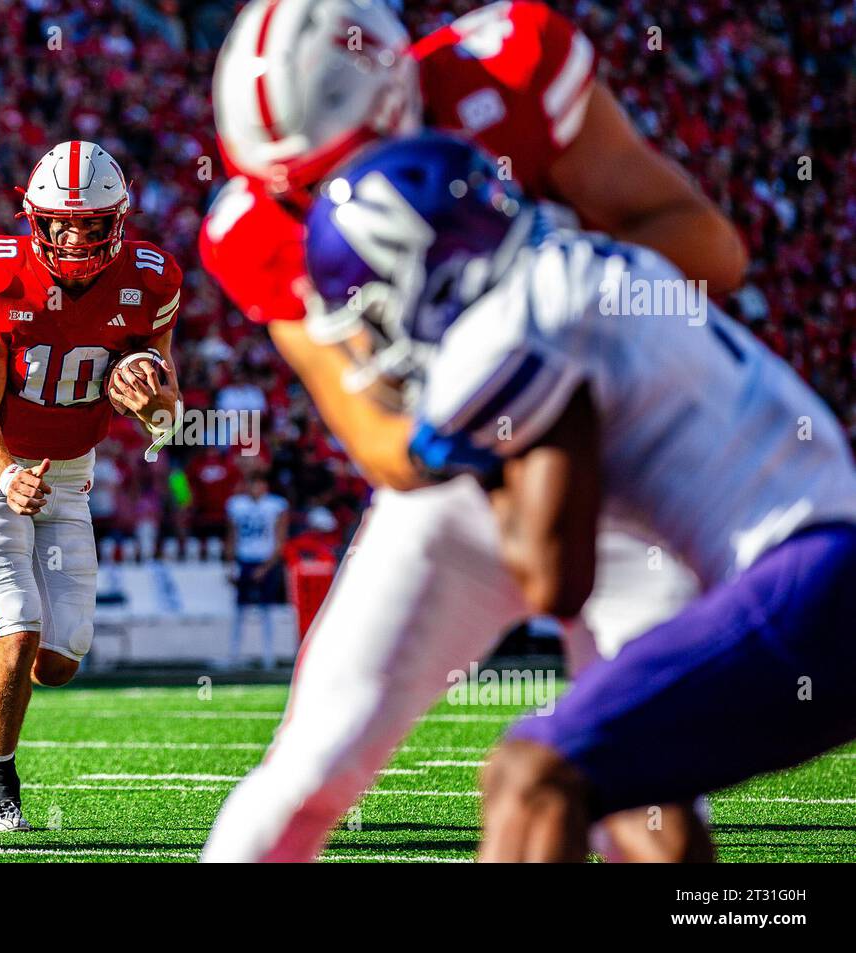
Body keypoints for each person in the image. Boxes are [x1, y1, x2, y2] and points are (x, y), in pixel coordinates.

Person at [200, 0, 730, 862]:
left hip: (624, 464)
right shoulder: (254, 221)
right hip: (456, 481)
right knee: (308, 771)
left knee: (643, 795)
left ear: (397, 106)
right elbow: (381, 440)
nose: (302, 203)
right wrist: (471, 410)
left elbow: (710, 251)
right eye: (283, 185)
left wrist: (552, 286)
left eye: (316, 176)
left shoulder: (506, 69)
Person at [299, 130, 856, 862]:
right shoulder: (583, 267)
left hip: (809, 583)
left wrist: (463, 455)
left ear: (419, 275)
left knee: (531, 773)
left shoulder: (510, 327)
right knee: (635, 785)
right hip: (816, 561)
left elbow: (554, 578)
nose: (374, 341)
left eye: (370, 313)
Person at [0, 141, 183, 832]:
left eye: (91, 223)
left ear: (119, 222)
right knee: (17, 630)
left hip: (71, 472)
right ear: (34, 219)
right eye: (59, 222)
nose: (74, 236)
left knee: (57, 660)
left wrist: (148, 402)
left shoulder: (152, 280)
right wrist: (9, 473)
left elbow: (170, 413)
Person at [224, 475, 289, 669]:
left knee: (266, 609)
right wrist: (231, 564)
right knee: (239, 610)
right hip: (245, 559)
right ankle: (234, 653)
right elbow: (232, 535)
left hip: (265, 559)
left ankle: (268, 655)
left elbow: (280, 538)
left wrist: (266, 566)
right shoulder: (237, 505)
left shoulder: (275, 505)